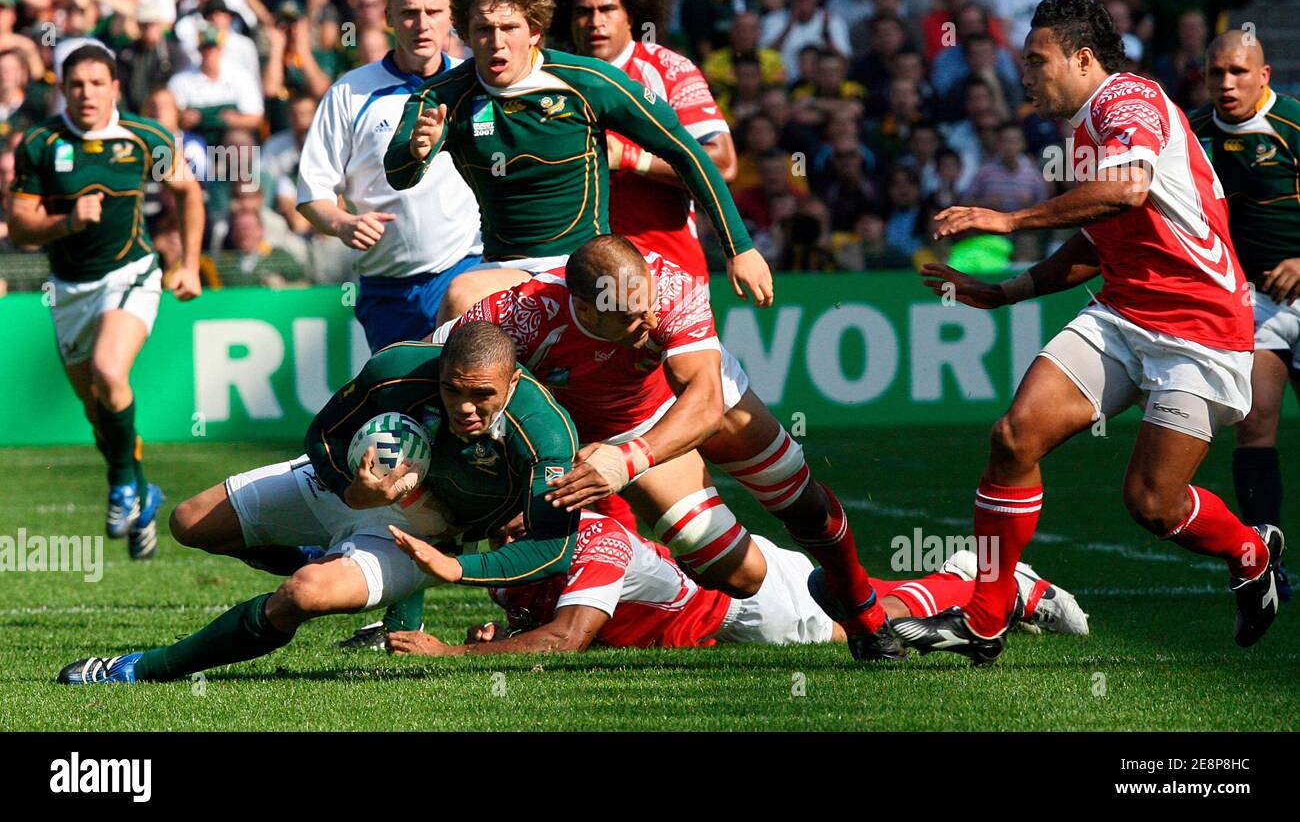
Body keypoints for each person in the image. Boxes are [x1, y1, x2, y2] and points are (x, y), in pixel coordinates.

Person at [893, 0, 1284, 664]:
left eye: (1036, 60)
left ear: (1081, 58)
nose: (1025, 74)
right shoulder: (1081, 130)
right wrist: (1007, 290)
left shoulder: (1124, 101)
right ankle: (985, 620)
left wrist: (1010, 221)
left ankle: (1248, 551)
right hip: (1124, 313)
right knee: (1015, 437)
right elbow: (1097, 240)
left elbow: (1126, 190)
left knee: (1152, 503)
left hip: (1200, 327)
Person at [438, 235, 906, 661]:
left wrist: (628, 460)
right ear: (584, 305)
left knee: (802, 504)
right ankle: (793, 580)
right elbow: (429, 367)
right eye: (631, 317)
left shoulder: (671, 287)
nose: (651, 319)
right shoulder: (522, 316)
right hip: (619, 431)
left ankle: (864, 616)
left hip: (701, 401)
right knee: (737, 577)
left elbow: (704, 403)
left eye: (648, 304)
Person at [56, 322, 582, 685]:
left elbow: (552, 547)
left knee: (301, 597)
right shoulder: (396, 370)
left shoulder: (546, 436)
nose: (465, 408)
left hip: (420, 537)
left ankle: (142, 668)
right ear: (439, 368)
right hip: (347, 489)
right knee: (187, 522)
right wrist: (349, 489)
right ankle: (318, 552)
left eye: (483, 396)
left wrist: (454, 566)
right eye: (452, 391)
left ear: (513, 382)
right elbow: (324, 435)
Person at [381, 0, 771, 318]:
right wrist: (415, 153)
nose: (497, 42)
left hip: (590, 267)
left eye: (510, 28)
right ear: (465, 31)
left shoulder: (588, 82)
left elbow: (688, 153)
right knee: (459, 300)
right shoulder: (441, 98)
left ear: (534, 30)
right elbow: (398, 174)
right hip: (507, 274)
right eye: (483, 29)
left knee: (707, 377)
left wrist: (740, 248)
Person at [296, 0, 484, 648]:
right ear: (388, 17)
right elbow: (311, 193)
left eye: (435, 12)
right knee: (401, 443)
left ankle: (533, 584)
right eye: (410, 13)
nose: (423, 24)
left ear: (451, 15)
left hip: (465, 273)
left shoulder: (477, 83)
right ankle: (398, 608)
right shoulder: (352, 93)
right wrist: (343, 222)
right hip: (387, 290)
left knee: (466, 428)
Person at [387, 511, 1089, 656]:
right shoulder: (510, 564)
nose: (504, 545)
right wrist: (504, 634)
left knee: (867, 620)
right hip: (733, 585)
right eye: (498, 535)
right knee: (868, 599)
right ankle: (973, 575)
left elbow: (569, 637)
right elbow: (554, 621)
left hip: (744, 609)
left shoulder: (594, 539)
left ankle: (985, 581)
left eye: (514, 530)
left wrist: (453, 655)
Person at [7, 43, 203, 561]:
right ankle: (141, 490)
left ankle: (120, 486)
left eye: (97, 83)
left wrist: (187, 262)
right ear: (62, 90)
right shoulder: (40, 143)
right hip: (69, 289)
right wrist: (67, 221)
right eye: (76, 85)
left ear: (115, 87)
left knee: (109, 373)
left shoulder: (146, 136)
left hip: (132, 273)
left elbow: (188, 192)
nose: (87, 93)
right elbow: (22, 226)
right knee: (98, 414)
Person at [544, 0, 736, 281]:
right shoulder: (548, 80)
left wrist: (634, 159)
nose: (595, 22)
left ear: (630, 13)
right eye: (583, 12)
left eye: (607, 9)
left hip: (668, 266)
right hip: (577, 269)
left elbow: (723, 163)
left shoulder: (669, 70)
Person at [1190, 29, 1300, 601]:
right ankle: (1266, 561)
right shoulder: (1192, 133)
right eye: (1216, 73)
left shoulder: (1294, 126)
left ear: (1265, 76)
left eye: (1237, 72)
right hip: (1257, 304)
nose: (1226, 83)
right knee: (1255, 427)